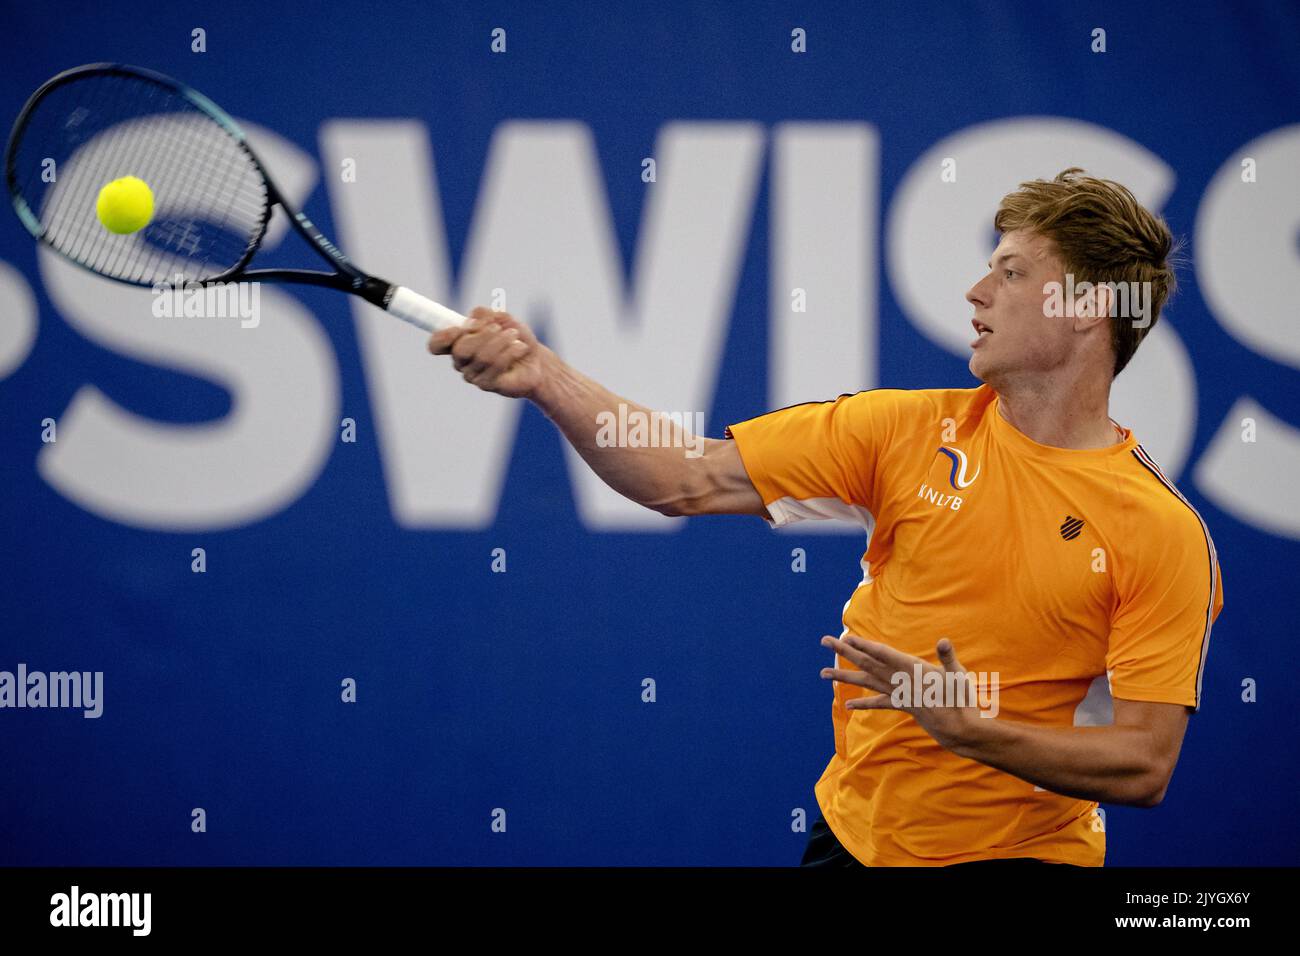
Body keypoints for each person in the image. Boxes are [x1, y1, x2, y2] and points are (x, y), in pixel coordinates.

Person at [426, 168, 1223, 867]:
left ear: (1087, 309)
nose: (976, 293)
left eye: (1011, 273)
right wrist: (544, 375)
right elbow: (686, 478)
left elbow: (1144, 766)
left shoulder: (1157, 531)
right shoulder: (901, 431)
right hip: (850, 840)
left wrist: (970, 729)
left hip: (1023, 857)